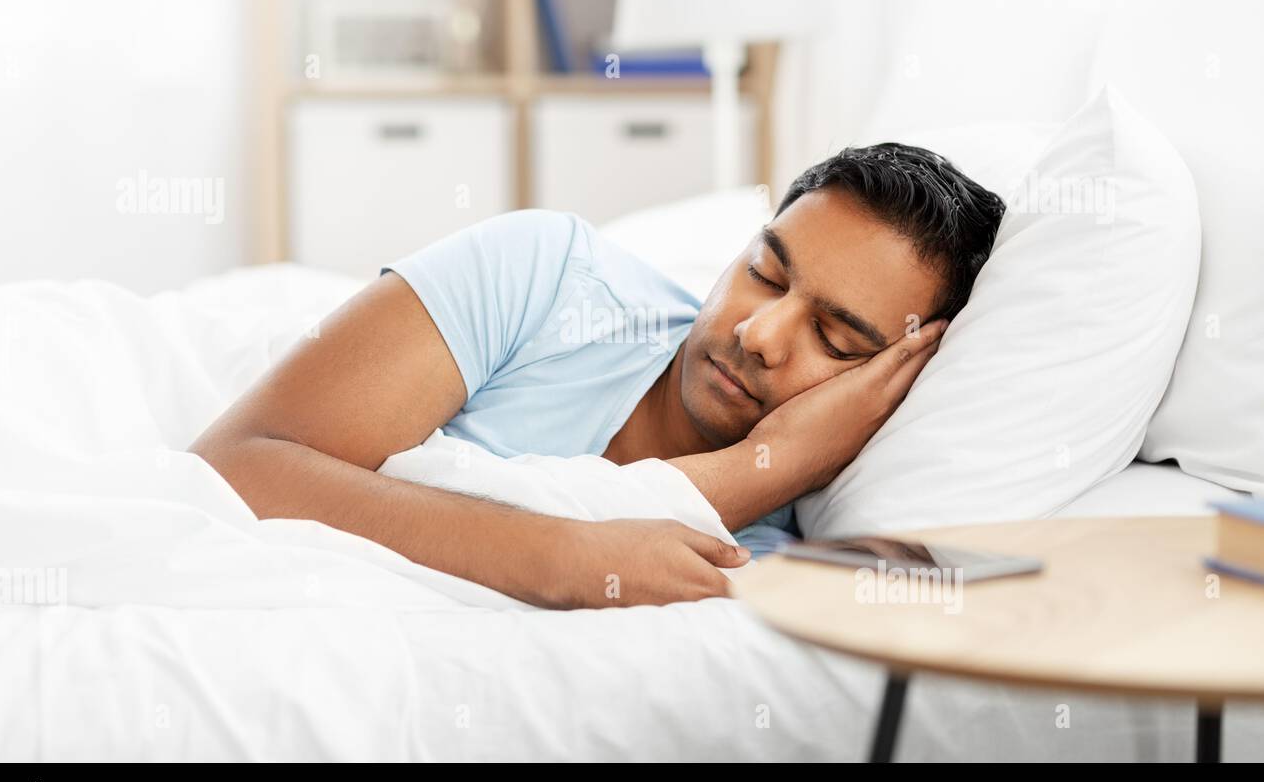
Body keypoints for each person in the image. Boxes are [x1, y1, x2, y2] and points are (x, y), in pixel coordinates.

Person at [189, 143, 1005, 609]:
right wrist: (556, 555)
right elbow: (239, 462)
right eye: (764, 270)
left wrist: (782, 473)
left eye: (834, 337)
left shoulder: (779, 564)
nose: (759, 334)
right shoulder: (548, 278)